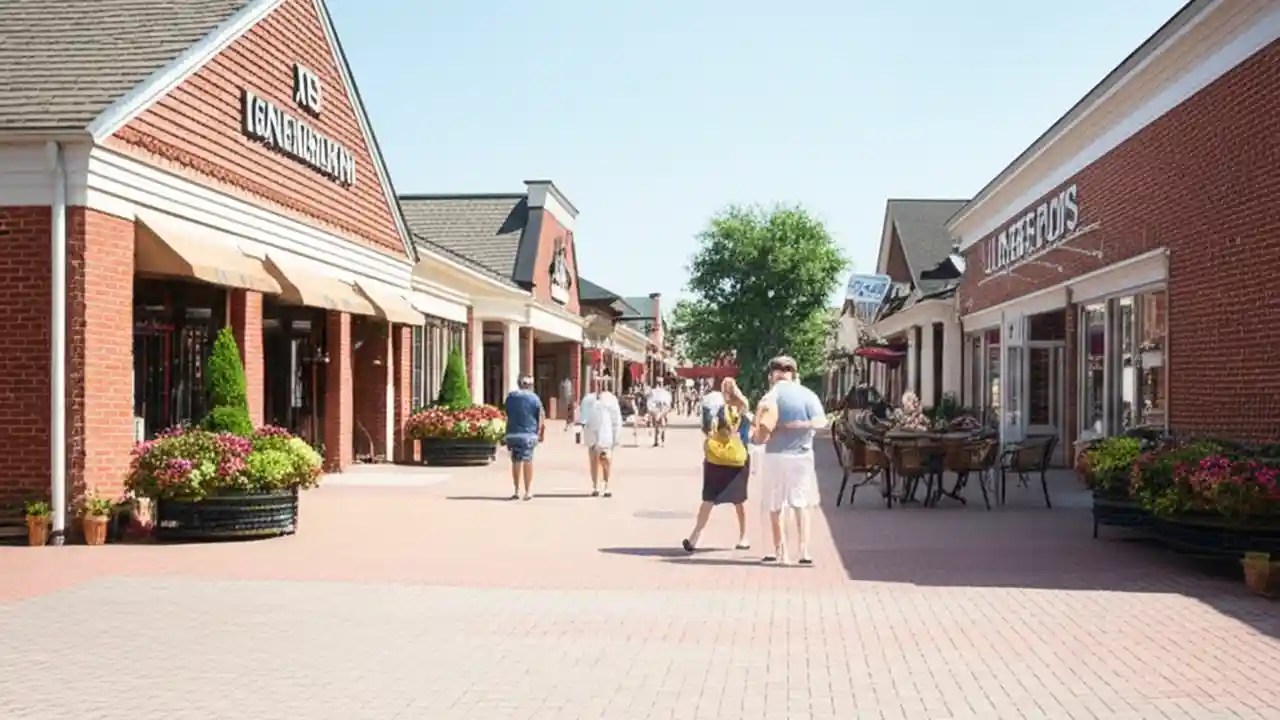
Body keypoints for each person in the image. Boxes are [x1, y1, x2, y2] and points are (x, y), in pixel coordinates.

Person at [753, 355, 825, 565]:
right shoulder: (807, 394)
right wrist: (801, 425)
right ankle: (804, 552)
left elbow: (759, 431)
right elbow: (821, 421)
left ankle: (781, 552)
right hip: (802, 455)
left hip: (775, 455)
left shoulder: (769, 396)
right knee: (801, 504)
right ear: (794, 374)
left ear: (771, 376)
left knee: (775, 505)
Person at [683, 377, 752, 553]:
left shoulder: (728, 408)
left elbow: (708, 430)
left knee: (720, 499)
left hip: (723, 457)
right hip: (734, 458)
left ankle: (696, 536)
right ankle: (697, 536)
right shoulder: (735, 408)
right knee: (733, 500)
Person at [503, 375, 545, 501]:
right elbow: (541, 416)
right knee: (527, 460)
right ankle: (528, 490)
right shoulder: (534, 398)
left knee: (515, 461)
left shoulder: (510, 397)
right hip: (529, 434)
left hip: (513, 433)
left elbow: (506, 413)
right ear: (530, 385)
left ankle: (516, 490)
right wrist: (541, 432)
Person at [582, 376, 623, 496]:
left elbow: (616, 418)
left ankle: (606, 485)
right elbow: (582, 417)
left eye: (601, 383)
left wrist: (616, 436)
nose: (599, 386)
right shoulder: (588, 399)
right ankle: (595, 486)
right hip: (591, 434)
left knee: (606, 460)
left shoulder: (611, 399)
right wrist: (582, 431)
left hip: (606, 434)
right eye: (596, 383)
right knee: (593, 460)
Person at [646, 382, 673, 447]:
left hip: (656, 409)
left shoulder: (653, 392)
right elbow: (668, 402)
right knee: (661, 423)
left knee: (657, 425)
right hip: (663, 409)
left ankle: (657, 441)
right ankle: (660, 439)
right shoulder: (665, 392)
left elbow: (649, 401)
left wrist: (650, 410)